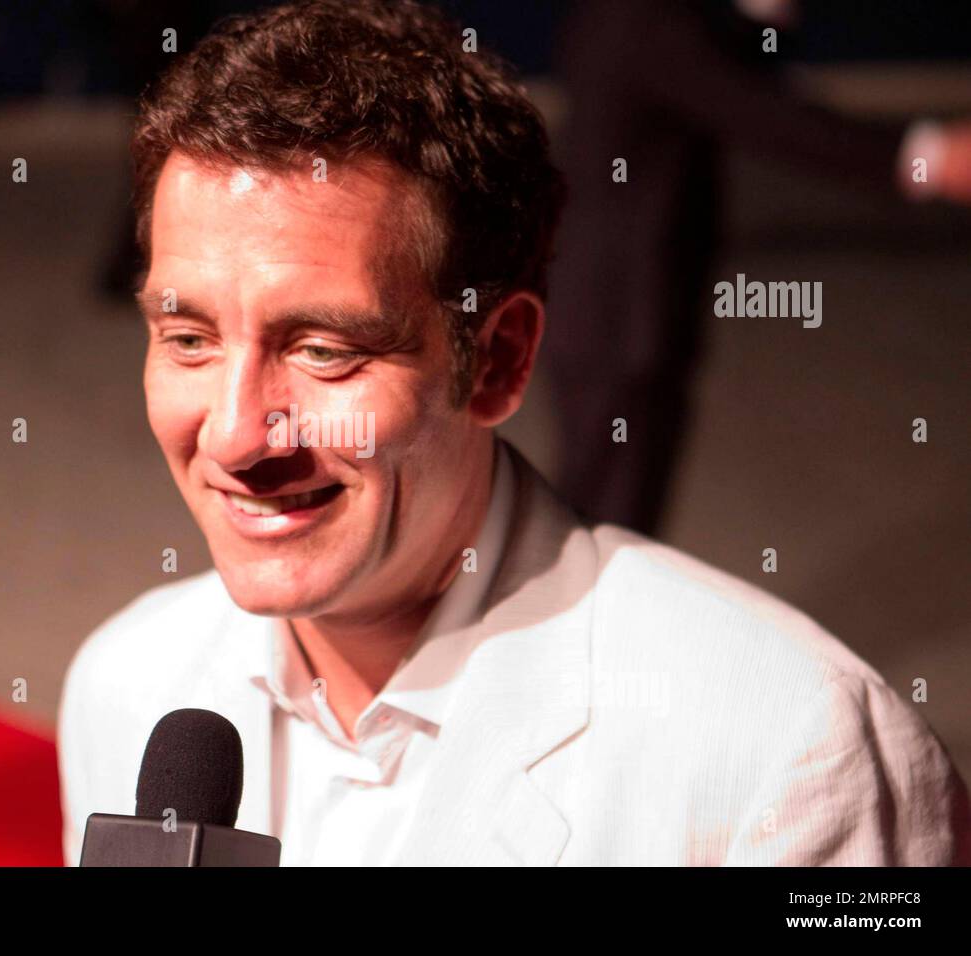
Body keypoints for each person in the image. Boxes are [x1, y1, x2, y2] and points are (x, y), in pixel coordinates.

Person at [58, 0, 969, 866]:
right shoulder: (124, 682)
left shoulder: (797, 752)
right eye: (188, 339)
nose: (233, 435)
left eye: (326, 350)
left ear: (496, 363)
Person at [545, 0, 971, 534]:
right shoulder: (640, 19)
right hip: (615, 310)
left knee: (618, 512)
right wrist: (927, 158)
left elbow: (732, 69)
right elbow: (764, 114)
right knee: (606, 520)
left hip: (632, 304)